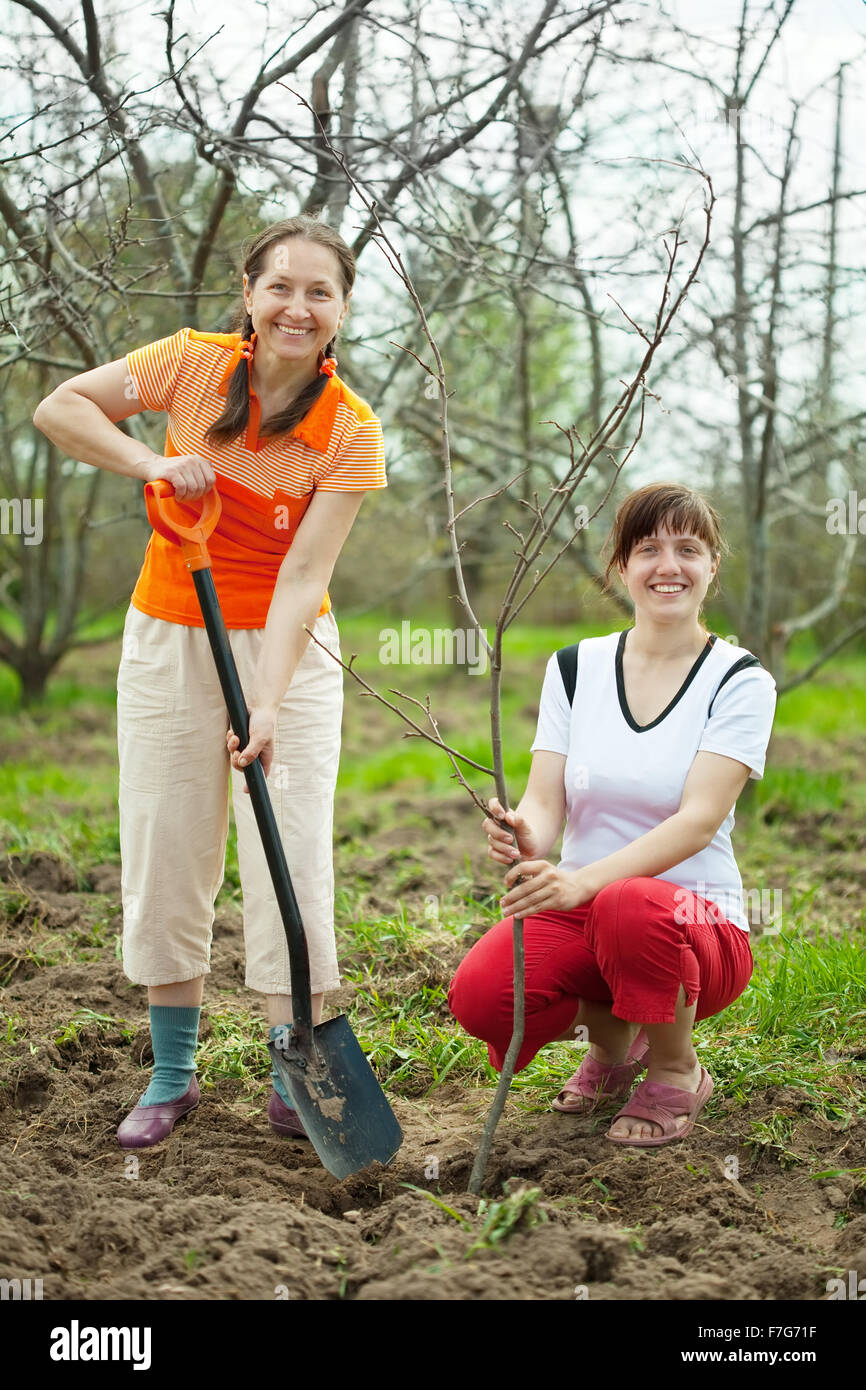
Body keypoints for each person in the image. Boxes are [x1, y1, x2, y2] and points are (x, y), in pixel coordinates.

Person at [32, 215, 386, 1147]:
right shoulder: (189, 364)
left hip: (289, 649)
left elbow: (304, 580)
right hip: (169, 633)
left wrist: (267, 703)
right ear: (249, 292)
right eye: (281, 286)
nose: (297, 307)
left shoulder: (349, 430)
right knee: (167, 836)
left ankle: (293, 1061)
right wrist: (151, 460)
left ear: (342, 310)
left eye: (320, 293)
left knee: (291, 854)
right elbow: (61, 406)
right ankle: (174, 1073)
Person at [448, 482, 777, 1146]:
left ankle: (677, 1067)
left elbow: (699, 821)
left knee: (629, 904)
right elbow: (546, 801)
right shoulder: (575, 668)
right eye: (648, 548)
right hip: (588, 907)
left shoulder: (740, 680)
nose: (669, 566)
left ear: (713, 565)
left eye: (689, 548)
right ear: (621, 566)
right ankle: (614, 1045)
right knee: (484, 997)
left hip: (694, 924)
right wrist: (524, 833)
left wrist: (585, 881)